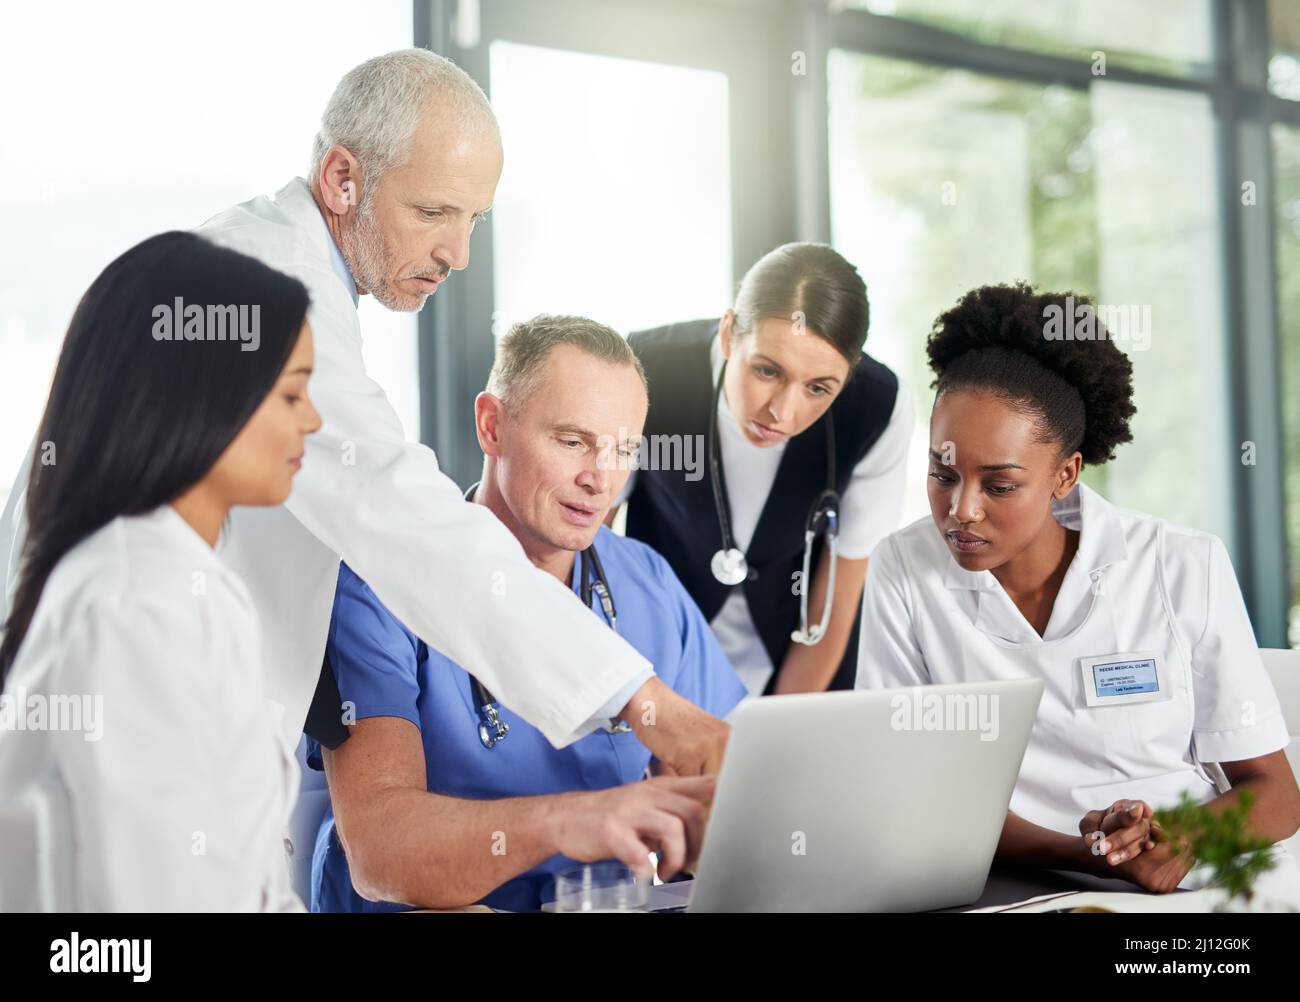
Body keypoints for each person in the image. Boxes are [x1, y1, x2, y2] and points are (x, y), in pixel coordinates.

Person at [0, 49, 727, 772]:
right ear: (342, 179)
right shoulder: (264, 287)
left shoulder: (283, 270)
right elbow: (399, 511)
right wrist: (643, 703)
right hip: (122, 721)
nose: (459, 254)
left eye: (474, 218)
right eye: (434, 212)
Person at [856, 282, 1300, 897]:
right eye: (942, 472)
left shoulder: (1180, 564)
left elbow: (1274, 795)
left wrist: (1182, 836)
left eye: (1000, 485)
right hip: (1008, 882)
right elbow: (908, 792)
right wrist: (1094, 854)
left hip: (1188, 884)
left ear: (1065, 473)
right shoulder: (903, 569)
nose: (962, 509)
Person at [308, 316, 747, 912]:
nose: (600, 479)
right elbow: (378, 852)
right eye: (571, 441)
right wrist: (581, 818)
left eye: (622, 449)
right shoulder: (376, 586)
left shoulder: (647, 582)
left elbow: (726, 784)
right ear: (492, 425)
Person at [0, 232, 321, 910]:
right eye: (293, 395)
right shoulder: (133, 600)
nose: (315, 421)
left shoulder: (171, 580)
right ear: (204, 397)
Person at [614, 243, 911, 697]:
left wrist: (773, 735)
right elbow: (585, 543)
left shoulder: (879, 408)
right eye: (768, 371)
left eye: (818, 388)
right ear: (730, 332)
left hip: (803, 663)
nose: (782, 412)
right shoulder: (644, 367)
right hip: (655, 655)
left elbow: (834, 606)